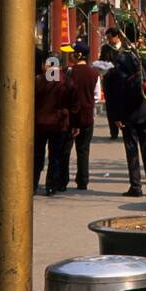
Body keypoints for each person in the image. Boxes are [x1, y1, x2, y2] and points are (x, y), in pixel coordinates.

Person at [103, 28, 146, 197]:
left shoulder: (119, 59)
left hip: (127, 114)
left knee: (132, 150)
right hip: (145, 110)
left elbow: (114, 91)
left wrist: (115, 117)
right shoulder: (145, 57)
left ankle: (136, 186)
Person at [34, 53, 73, 196]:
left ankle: (33, 183)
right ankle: (51, 185)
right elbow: (73, 102)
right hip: (59, 123)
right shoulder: (66, 80)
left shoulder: (39, 80)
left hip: (40, 123)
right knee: (55, 156)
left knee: (38, 155)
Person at [67, 42, 98, 190]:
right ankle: (83, 180)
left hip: (70, 116)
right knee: (84, 150)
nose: (70, 55)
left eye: (72, 53)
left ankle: (61, 178)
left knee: (65, 149)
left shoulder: (69, 72)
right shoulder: (94, 73)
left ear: (78, 55)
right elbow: (97, 96)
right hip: (87, 116)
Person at [99, 42, 121, 139]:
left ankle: (125, 129)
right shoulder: (105, 48)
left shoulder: (125, 48)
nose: (108, 39)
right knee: (110, 108)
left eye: (110, 37)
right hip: (109, 82)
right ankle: (113, 132)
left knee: (122, 107)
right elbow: (101, 63)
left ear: (117, 36)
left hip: (122, 82)